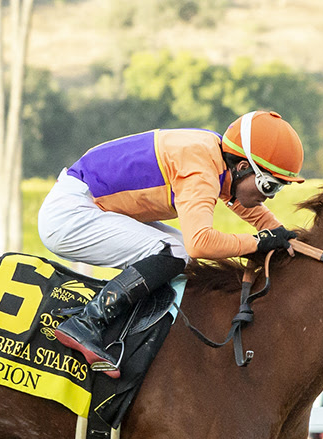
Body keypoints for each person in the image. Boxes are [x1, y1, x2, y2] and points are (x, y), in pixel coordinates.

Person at [38, 110, 305, 377]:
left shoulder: (215, 154)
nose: (268, 197)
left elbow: (240, 201)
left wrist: (281, 234)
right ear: (243, 166)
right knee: (176, 251)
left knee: (177, 250)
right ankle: (88, 322)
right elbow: (200, 243)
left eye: (277, 189)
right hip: (71, 214)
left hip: (91, 203)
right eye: (268, 186)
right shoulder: (200, 167)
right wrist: (259, 243)